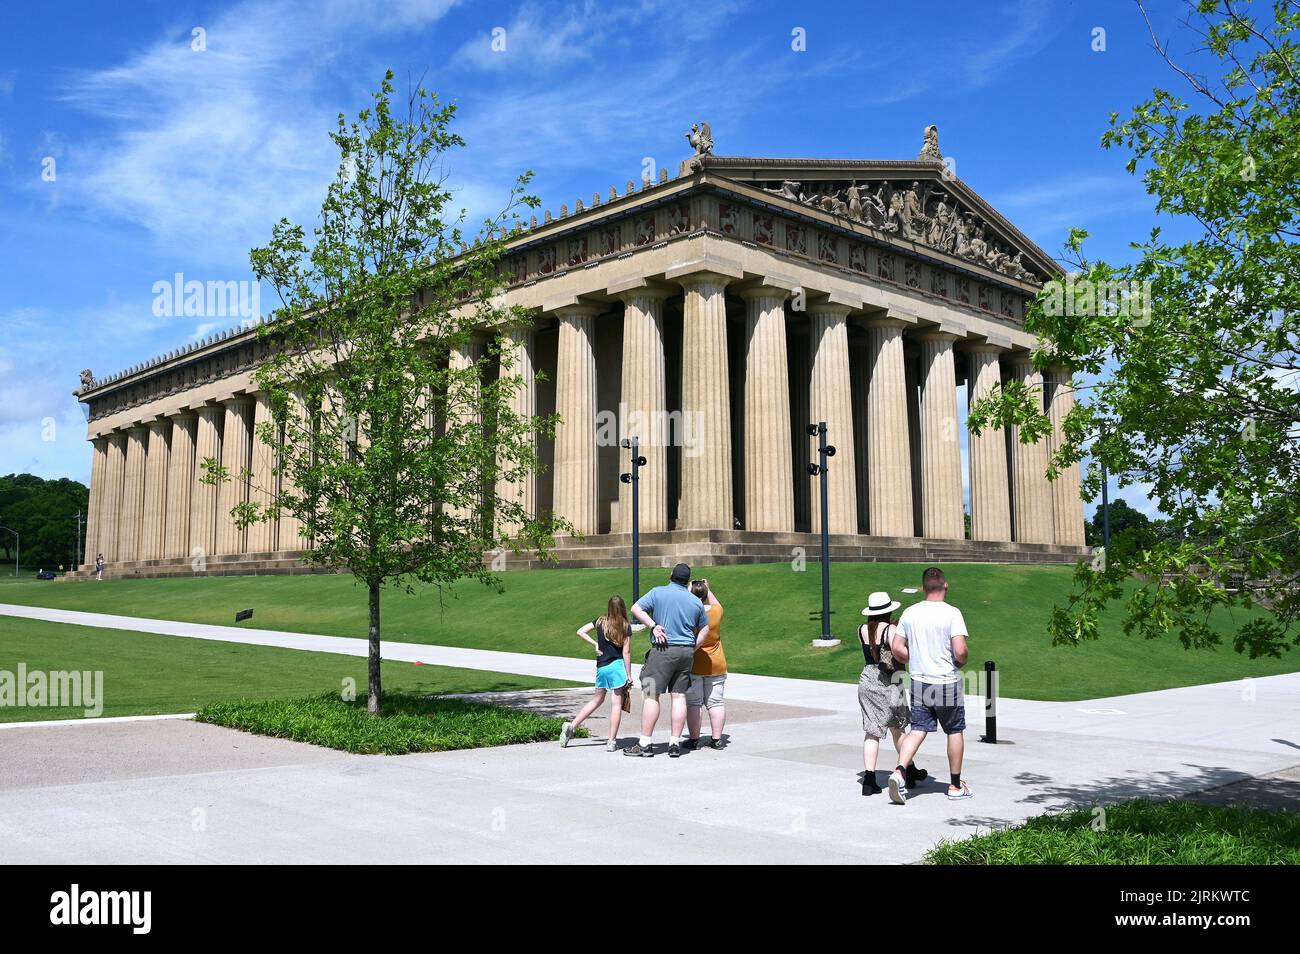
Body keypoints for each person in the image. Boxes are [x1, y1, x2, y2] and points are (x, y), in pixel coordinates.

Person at [887, 567, 973, 804]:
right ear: (946, 585)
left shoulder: (910, 613)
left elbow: (896, 647)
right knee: (954, 730)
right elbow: (960, 650)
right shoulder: (952, 613)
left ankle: (900, 771)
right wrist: (961, 660)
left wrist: (911, 657)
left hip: (920, 680)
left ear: (923, 588)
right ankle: (955, 785)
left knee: (918, 729)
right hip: (946, 680)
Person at [626, 562, 710, 758]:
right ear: (687, 581)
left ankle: (645, 743)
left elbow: (635, 608)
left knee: (651, 694)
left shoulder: (657, 592)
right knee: (679, 695)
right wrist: (693, 646)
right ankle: (674, 743)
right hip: (686, 652)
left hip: (662, 650)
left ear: (671, 575)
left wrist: (653, 625)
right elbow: (705, 628)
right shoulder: (695, 601)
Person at [856, 591, 924, 796]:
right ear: (889, 610)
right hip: (890, 681)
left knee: (872, 731)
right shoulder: (891, 629)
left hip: (867, 680)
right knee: (898, 728)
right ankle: (907, 771)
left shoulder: (861, 629)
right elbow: (899, 653)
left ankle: (869, 780)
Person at [560, 595, 633, 752]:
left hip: (602, 667)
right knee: (616, 704)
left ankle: (572, 726)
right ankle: (611, 741)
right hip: (617, 667)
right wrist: (629, 674)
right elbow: (626, 653)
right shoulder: (625, 626)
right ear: (622, 608)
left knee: (596, 700)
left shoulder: (600, 621)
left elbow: (580, 631)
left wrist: (596, 644)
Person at [684, 578, 726, 751]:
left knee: (694, 703)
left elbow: (685, 601)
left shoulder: (690, 612)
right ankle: (716, 739)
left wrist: (688, 589)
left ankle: (694, 739)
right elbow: (715, 602)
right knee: (716, 702)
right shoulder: (716, 611)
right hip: (716, 662)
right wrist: (707, 588)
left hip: (695, 663)